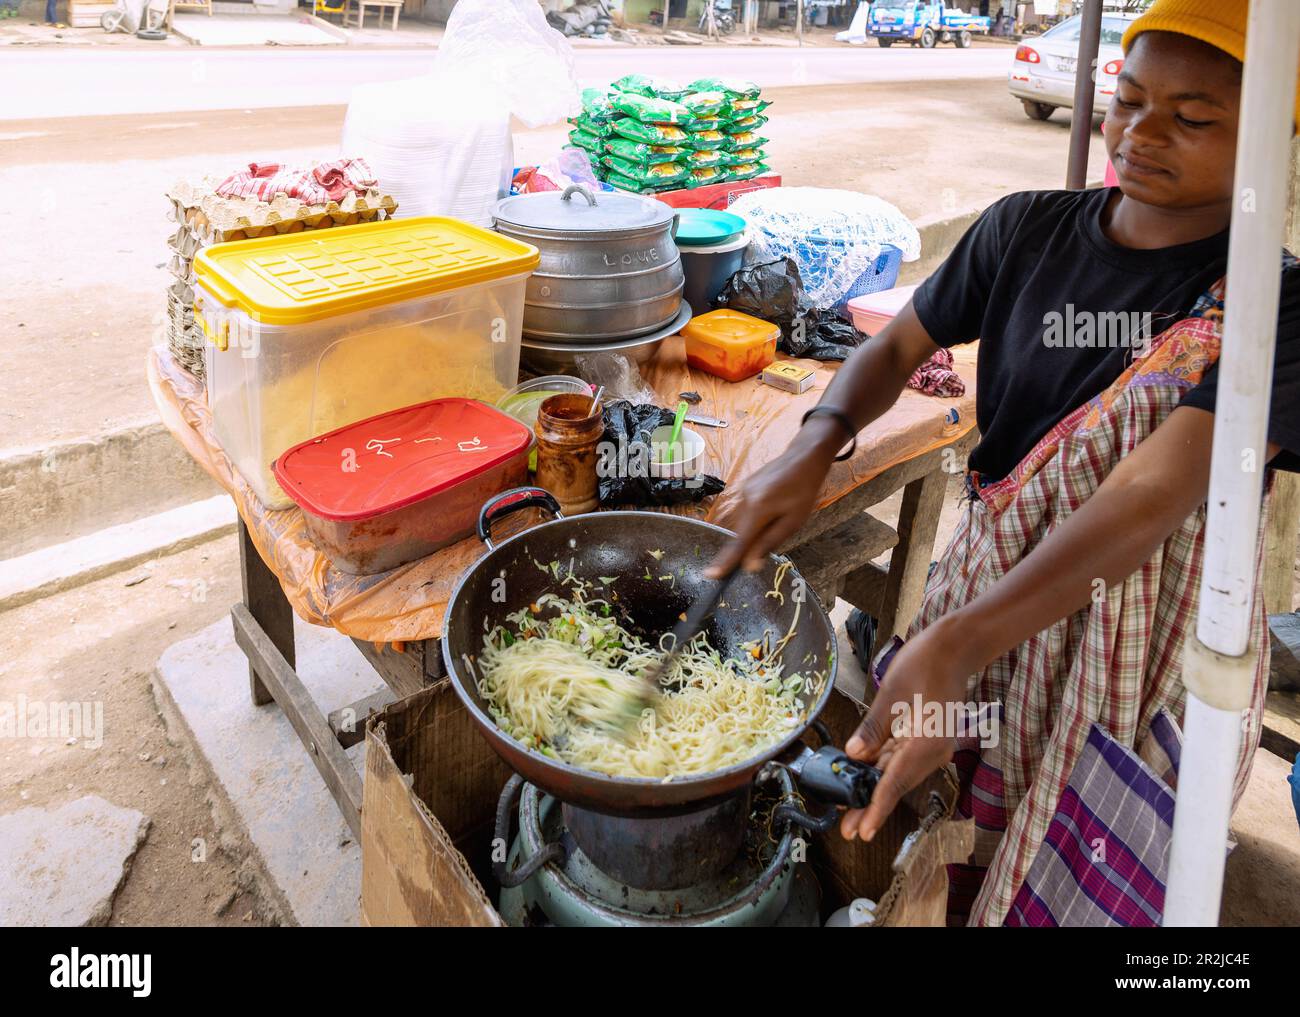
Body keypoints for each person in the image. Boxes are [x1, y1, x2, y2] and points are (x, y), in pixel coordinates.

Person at [709, 0, 1300, 926]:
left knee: (1074, 852)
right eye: (1131, 99)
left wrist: (953, 643)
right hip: (984, 587)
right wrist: (816, 444)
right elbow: (896, 348)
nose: (1143, 133)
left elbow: (1153, 495)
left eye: (1192, 119)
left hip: (1137, 642)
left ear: (1271, 136)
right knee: (945, 800)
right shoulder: (1024, 228)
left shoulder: (1276, 303)